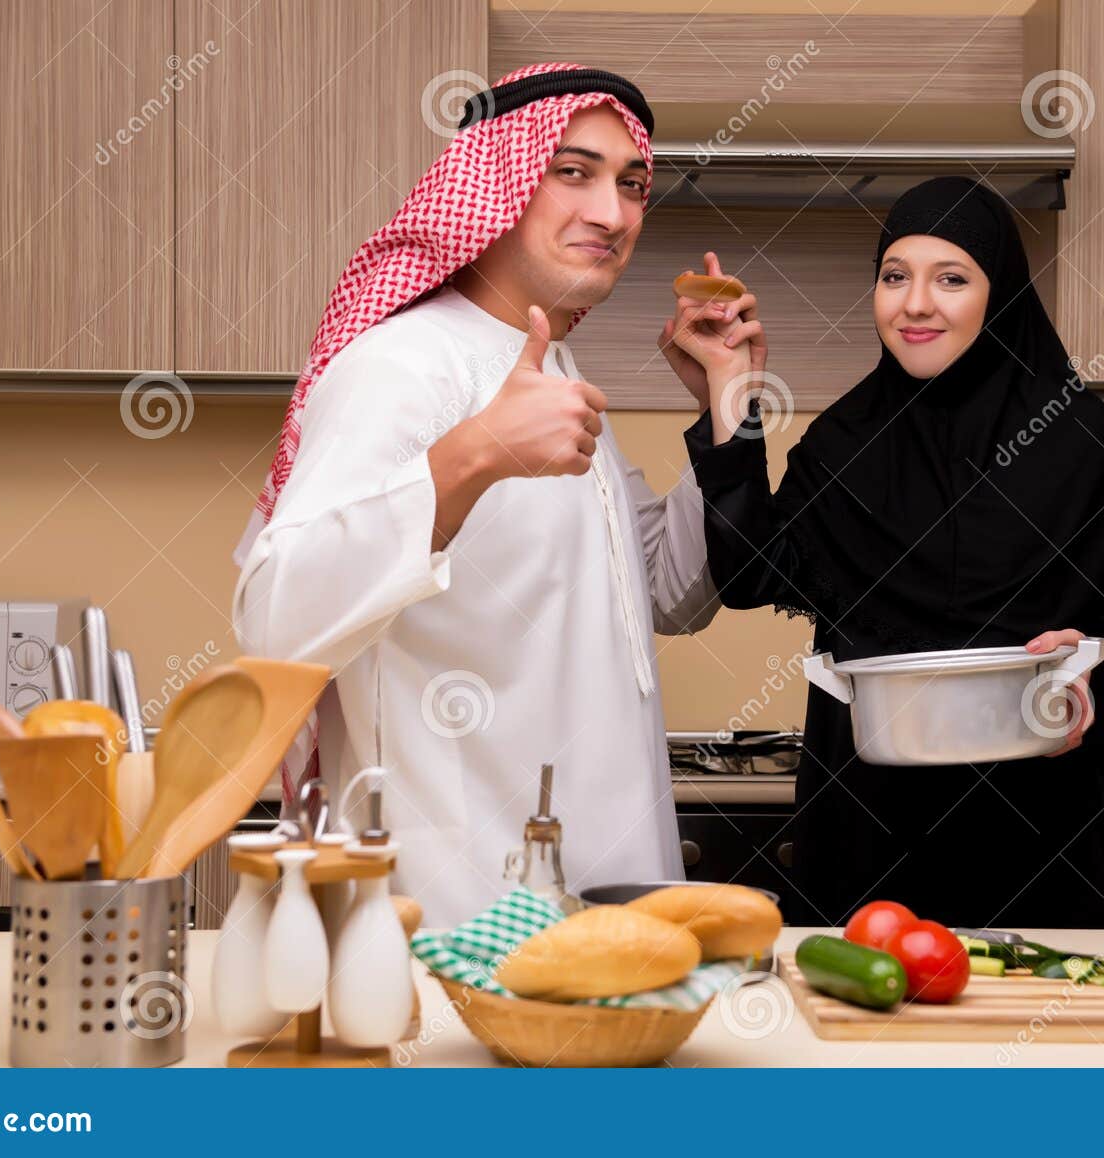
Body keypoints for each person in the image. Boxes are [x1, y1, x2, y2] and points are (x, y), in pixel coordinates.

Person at [231, 64, 761, 926]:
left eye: (632, 185)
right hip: (456, 936)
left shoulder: (546, 366)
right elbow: (272, 618)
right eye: (573, 171)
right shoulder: (403, 365)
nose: (614, 213)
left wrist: (724, 406)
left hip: (607, 915)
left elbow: (666, 595)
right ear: (497, 179)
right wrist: (472, 455)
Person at [679, 176, 1104, 929]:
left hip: (1041, 845)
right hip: (864, 846)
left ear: (1000, 293)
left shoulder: (1080, 442)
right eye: (895, 276)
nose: (915, 303)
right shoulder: (845, 442)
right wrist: (730, 394)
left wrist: (1092, 688)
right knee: (855, 1040)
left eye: (951, 278)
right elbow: (752, 575)